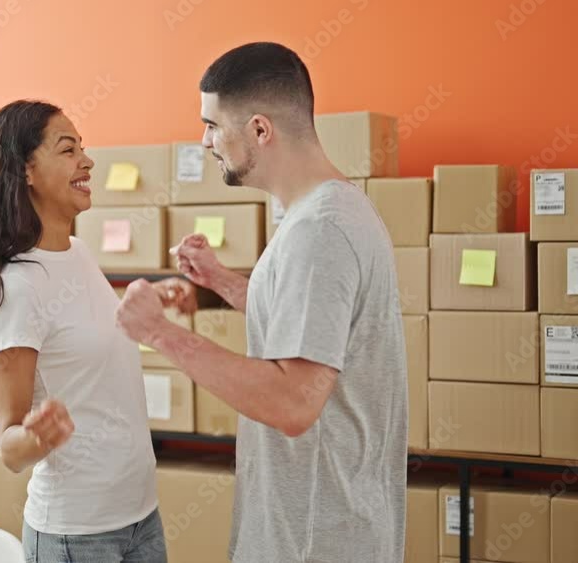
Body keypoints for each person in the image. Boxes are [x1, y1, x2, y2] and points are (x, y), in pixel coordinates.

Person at [115, 43, 407, 562]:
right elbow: (312, 327)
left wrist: (159, 332)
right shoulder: (328, 210)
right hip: (321, 527)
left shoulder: (320, 231)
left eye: (212, 125)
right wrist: (224, 282)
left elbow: (293, 402)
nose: (205, 141)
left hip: (316, 539)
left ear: (259, 130)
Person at [0, 100, 192, 562]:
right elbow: (10, 447)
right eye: (68, 150)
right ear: (25, 170)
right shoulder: (17, 287)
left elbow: (90, 343)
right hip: (78, 536)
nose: (87, 161)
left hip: (140, 515)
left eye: (83, 149)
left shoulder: (79, 254)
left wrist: (151, 302)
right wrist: (39, 436)